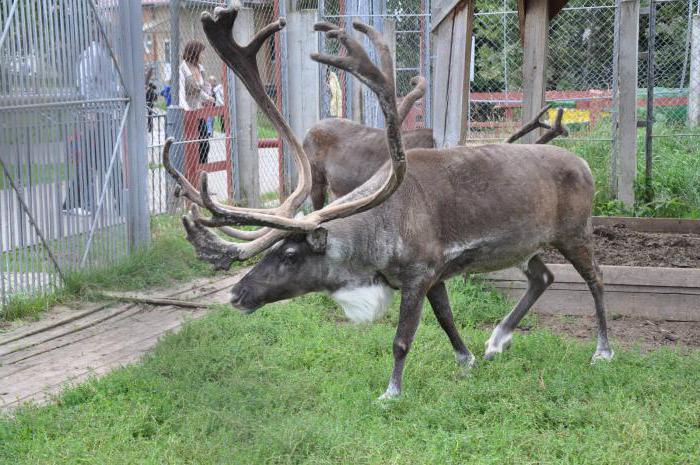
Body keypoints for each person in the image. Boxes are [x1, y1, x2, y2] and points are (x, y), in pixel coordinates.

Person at [63, 34, 123, 217]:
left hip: (105, 114)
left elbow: (108, 85)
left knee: (101, 161)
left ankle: (74, 202)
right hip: (97, 115)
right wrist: (90, 110)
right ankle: (119, 203)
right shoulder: (94, 53)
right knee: (106, 161)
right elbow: (84, 80)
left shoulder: (105, 54)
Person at [179, 40, 214, 164]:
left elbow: (199, 91)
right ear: (195, 53)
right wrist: (187, 111)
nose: (203, 56)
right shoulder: (183, 68)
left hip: (199, 114)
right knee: (191, 148)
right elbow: (180, 93)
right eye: (201, 53)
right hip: (187, 114)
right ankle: (191, 177)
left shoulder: (200, 68)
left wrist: (208, 98)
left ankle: (202, 173)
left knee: (204, 145)